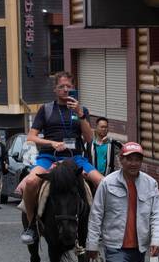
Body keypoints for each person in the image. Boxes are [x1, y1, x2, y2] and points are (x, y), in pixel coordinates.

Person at [18, 72, 101, 244]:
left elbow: (89, 138)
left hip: (75, 158)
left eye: (68, 86)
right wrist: (52, 143)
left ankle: (99, 225)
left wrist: (80, 114)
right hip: (48, 157)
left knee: (103, 182)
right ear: (55, 90)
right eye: (61, 87)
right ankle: (32, 225)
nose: (65, 90)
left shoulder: (82, 110)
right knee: (31, 182)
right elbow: (31, 137)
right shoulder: (46, 109)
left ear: (74, 88)